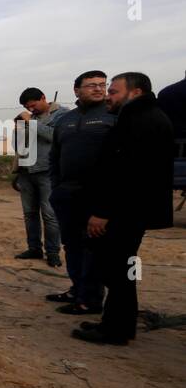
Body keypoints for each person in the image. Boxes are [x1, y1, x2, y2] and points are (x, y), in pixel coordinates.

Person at [72, 73, 176, 345]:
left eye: (114, 91)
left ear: (136, 92)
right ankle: (118, 323)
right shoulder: (145, 117)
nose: (108, 95)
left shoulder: (139, 122)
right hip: (132, 210)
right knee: (121, 272)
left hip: (124, 212)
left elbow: (126, 174)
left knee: (117, 273)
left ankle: (114, 330)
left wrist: (102, 212)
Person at [49, 70, 117, 316]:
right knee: (72, 245)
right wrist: (56, 187)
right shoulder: (65, 120)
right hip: (67, 194)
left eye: (102, 85)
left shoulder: (113, 116)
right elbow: (55, 156)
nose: (98, 89)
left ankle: (91, 298)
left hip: (98, 196)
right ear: (77, 90)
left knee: (94, 248)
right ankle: (77, 290)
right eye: (91, 85)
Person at [15, 88, 66, 265]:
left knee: (50, 215)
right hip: (26, 172)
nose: (31, 110)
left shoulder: (62, 114)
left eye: (33, 105)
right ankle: (34, 248)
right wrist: (18, 130)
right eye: (28, 108)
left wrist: (31, 122)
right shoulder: (30, 118)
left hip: (48, 172)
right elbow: (19, 146)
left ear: (44, 98)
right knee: (29, 214)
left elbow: (55, 136)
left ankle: (52, 252)